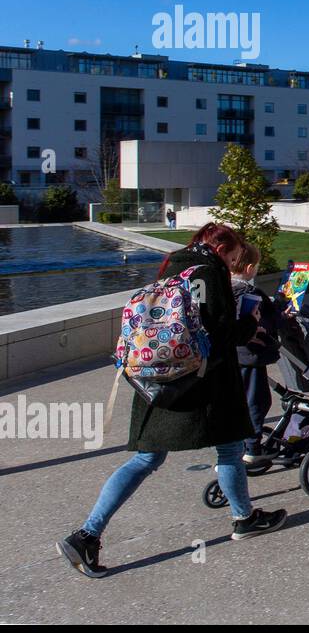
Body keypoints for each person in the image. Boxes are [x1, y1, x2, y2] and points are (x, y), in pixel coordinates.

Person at [58, 223, 288, 578]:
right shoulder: (210, 272)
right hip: (203, 382)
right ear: (222, 249)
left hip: (157, 380)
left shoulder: (170, 265)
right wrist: (251, 325)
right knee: (228, 449)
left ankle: (88, 533)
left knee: (145, 458)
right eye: (232, 255)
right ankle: (244, 519)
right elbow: (222, 332)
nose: (232, 262)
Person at [230, 242, 279, 464]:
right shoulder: (251, 292)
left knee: (236, 400)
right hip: (249, 357)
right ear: (249, 268)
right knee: (256, 401)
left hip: (229, 357)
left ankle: (236, 444)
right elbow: (272, 320)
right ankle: (251, 447)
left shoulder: (221, 289)